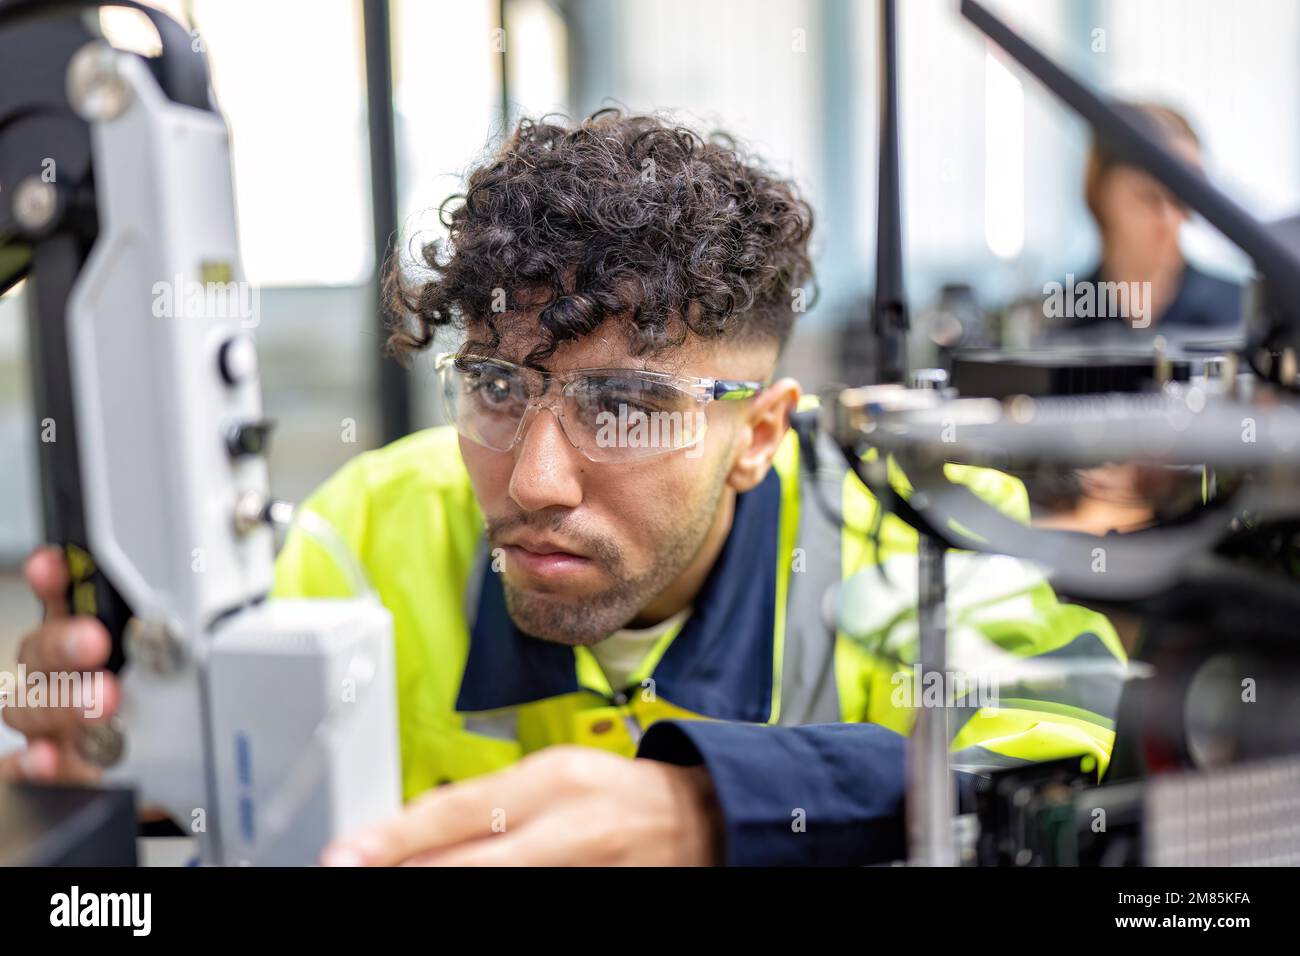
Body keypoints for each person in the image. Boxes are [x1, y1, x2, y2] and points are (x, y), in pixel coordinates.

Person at [1, 110, 1126, 866]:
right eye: (496, 384)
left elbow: (1055, 787)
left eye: (625, 407)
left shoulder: (928, 531)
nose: (533, 480)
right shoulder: (362, 533)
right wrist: (127, 766)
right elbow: (219, 814)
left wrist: (707, 804)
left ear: (759, 433)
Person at [1042, 101, 1243, 343]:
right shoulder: (1060, 315)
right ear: (1100, 193)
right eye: (1148, 197)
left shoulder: (1236, 313)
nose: (1169, 221)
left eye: (1182, 200)